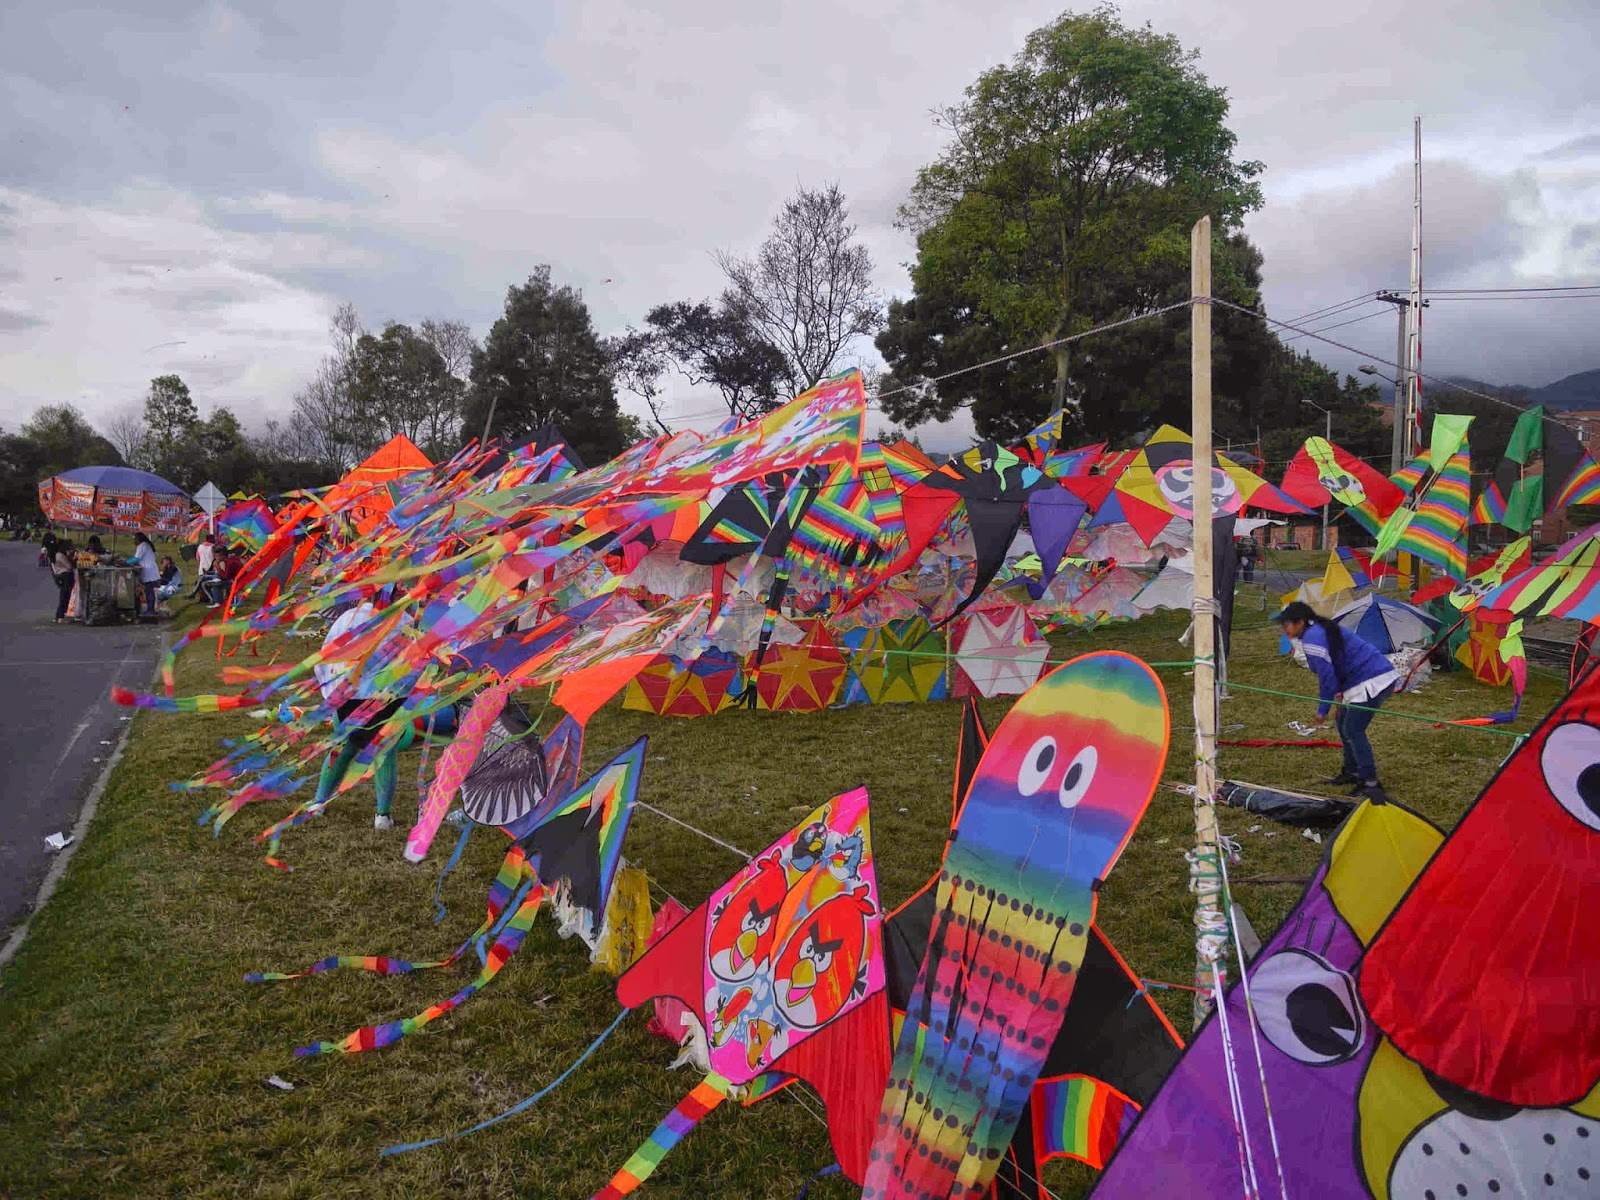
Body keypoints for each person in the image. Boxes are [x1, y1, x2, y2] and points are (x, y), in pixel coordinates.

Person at [1275, 600, 1398, 795]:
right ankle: (1352, 770)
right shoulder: (1316, 630)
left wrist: (1323, 709)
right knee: (1342, 723)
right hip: (1359, 679)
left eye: (1286, 624)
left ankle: (1370, 782)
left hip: (1373, 678)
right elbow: (1337, 666)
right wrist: (1340, 697)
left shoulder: (1313, 638)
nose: (1284, 629)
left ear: (1300, 622)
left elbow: (1327, 678)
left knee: (1354, 729)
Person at [311, 596, 404, 830]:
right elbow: (413, 663)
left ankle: (318, 803)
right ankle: (382, 815)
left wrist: (330, 690)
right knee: (384, 750)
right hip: (386, 698)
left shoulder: (345, 619)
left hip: (345, 696)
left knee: (343, 746)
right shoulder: (402, 620)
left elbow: (324, 658)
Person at [130, 533, 159, 616]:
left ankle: (150, 611)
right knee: (149, 591)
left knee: (149, 592)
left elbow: (136, 558)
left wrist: (126, 562)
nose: (134, 541)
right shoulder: (146, 545)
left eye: (134, 539)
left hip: (149, 571)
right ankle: (150, 610)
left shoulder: (142, 546)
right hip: (151, 570)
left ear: (138, 539)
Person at [52, 539, 76, 622]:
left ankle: (61, 614)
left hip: (65, 576)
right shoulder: (60, 555)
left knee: (65, 595)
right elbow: (69, 566)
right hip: (65, 575)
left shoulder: (61, 555)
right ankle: (60, 615)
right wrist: (71, 559)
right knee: (64, 596)